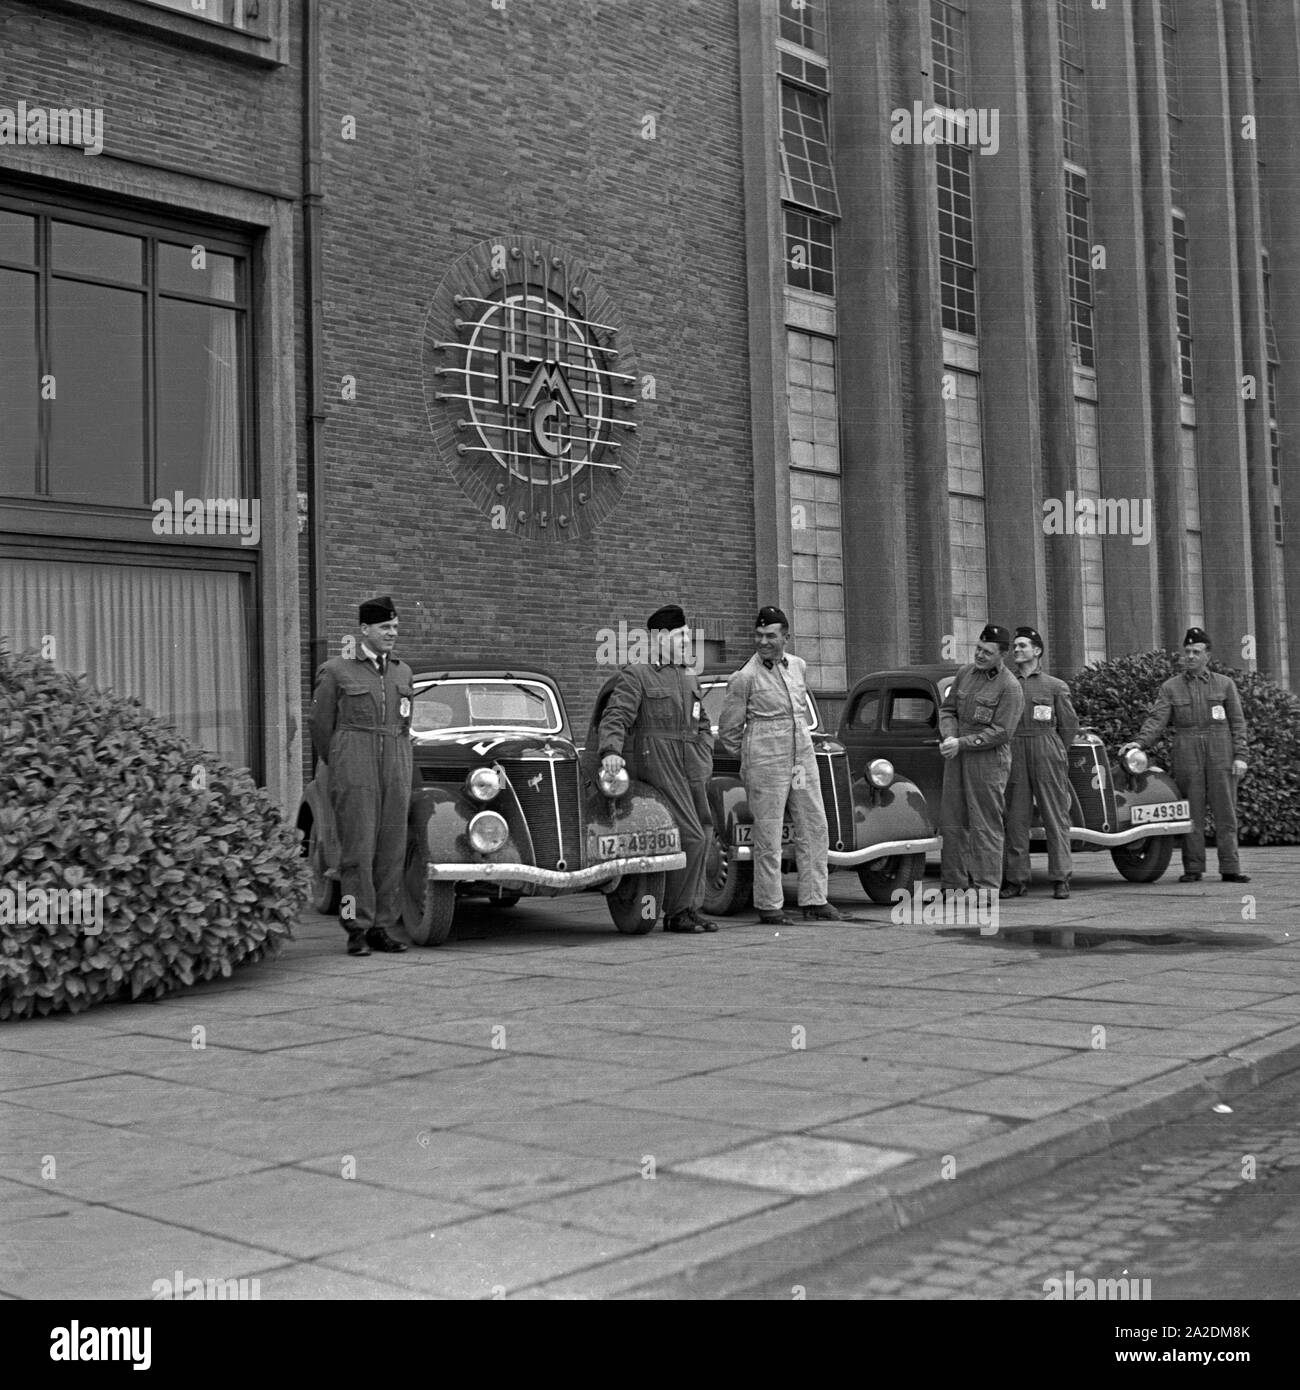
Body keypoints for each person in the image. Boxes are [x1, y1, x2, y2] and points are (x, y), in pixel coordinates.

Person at [717, 606, 844, 925]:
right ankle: (770, 904)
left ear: (785, 637)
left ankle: (815, 899)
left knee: (815, 824)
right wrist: (753, 758)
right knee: (769, 831)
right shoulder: (744, 677)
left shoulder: (799, 667)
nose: (763, 642)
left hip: (800, 752)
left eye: (771, 636)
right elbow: (730, 731)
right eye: (758, 636)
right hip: (765, 754)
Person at [597, 604, 718, 933]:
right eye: (681, 636)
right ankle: (677, 913)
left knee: (704, 832)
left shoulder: (686, 675)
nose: (686, 641)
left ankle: (691, 908)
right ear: (660, 637)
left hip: (690, 762)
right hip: (658, 762)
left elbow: (703, 722)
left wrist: (704, 752)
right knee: (691, 836)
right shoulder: (636, 674)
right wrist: (610, 750)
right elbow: (616, 716)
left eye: (687, 635)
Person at [309, 595, 414, 955]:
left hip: (395, 763)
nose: (392, 634)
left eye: (395, 627)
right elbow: (321, 726)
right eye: (385, 627)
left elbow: (405, 722)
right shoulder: (337, 670)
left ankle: (383, 926)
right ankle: (356, 928)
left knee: (391, 850)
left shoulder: (403, 672)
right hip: (354, 762)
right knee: (356, 851)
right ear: (364, 629)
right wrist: (340, 761)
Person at [1123, 627, 1249, 884]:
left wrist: (1241, 756)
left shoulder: (1225, 685)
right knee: (1191, 812)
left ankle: (1230, 867)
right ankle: (1193, 868)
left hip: (1220, 752)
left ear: (1207, 656)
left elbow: (1237, 723)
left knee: (1226, 812)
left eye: (1196, 652)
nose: (1190, 656)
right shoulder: (1171, 688)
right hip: (1187, 750)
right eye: (1187, 652)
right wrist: (1138, 743)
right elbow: (1157, 720)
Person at [939, 624, 1025, 898]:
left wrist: (961, 743)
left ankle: (986, 888)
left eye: (987, 652)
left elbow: (1002, 732)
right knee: (952, 821)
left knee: (985, 824)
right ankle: (953, 885)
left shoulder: (1010, 686)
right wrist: (950, 737)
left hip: (988, 760)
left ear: (1003, 654)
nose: (979, 655)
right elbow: (948, 710)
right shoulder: (964, 673)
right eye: (978, 648)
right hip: (957, 756)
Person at [1001, 626, 1079, 900]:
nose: (1017, 650)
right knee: (1016, 819)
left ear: (1037, 651)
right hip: (1015, 751)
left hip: (1046, 750)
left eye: (1023, 645)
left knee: (1055, 817)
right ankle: (1016, 879)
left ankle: (1060, 878)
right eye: (1015, 646)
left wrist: (1056, 750)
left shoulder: (1055, 686)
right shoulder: (1007, 684)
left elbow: (1069, 726)